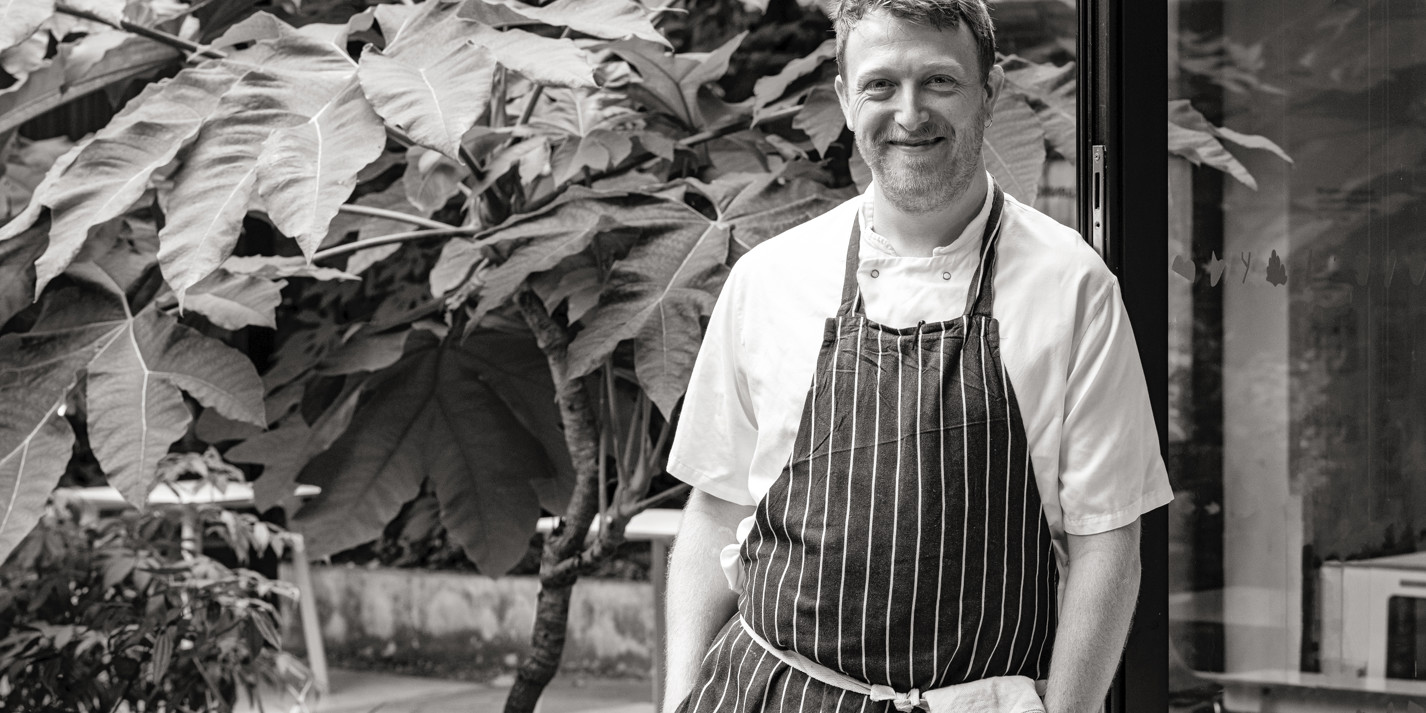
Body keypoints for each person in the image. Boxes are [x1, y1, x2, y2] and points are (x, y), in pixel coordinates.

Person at [661, 0, 1174, 711]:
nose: (909, 113)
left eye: (939, 81)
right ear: (845, 98)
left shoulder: (1072, 286)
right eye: (880, 85)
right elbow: (716, 507)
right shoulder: (771, 278)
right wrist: (680, 697)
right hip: (767, 692)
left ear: (988, 94)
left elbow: (1108, 542)